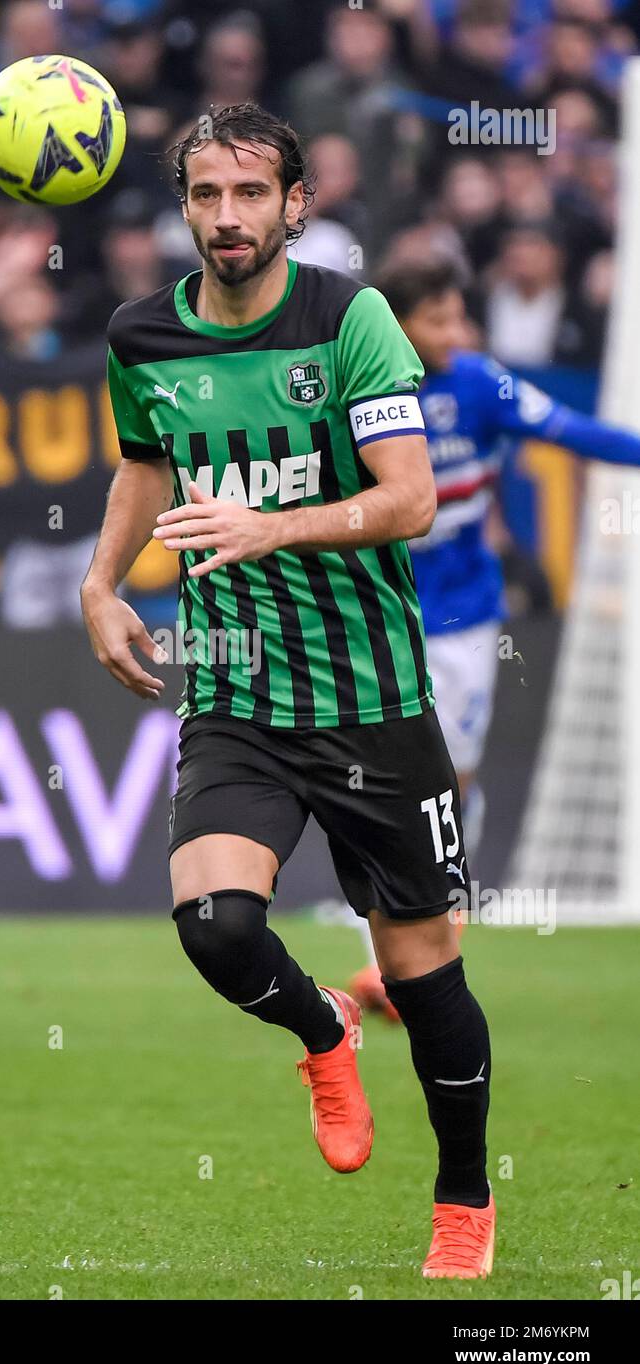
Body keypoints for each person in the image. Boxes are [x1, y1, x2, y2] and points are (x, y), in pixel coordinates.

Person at [81, 102, 495, 1280]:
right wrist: (101, 585)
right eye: (206, 195)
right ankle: (322, 1027)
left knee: (428, 979)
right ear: (184, 209)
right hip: (232, 684)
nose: (226, 217)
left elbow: (409, 497)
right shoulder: (141, 336)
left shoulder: (347, 317)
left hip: (370, 693)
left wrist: (273, 526)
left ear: (294, 204)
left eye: (249, 194)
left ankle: (462, 1198)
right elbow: (142, 463)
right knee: (215, 928)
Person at [350, 255, 640, 1015]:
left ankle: (438, 932)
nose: (456, 332)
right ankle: (385, 962)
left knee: (451, 784)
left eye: (459, 317)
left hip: (465, 618)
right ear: (397, 324)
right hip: (375, 615)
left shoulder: (481, 385)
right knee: (379, 786)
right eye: (438, 319)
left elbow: (573, 430)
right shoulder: (360, 385)